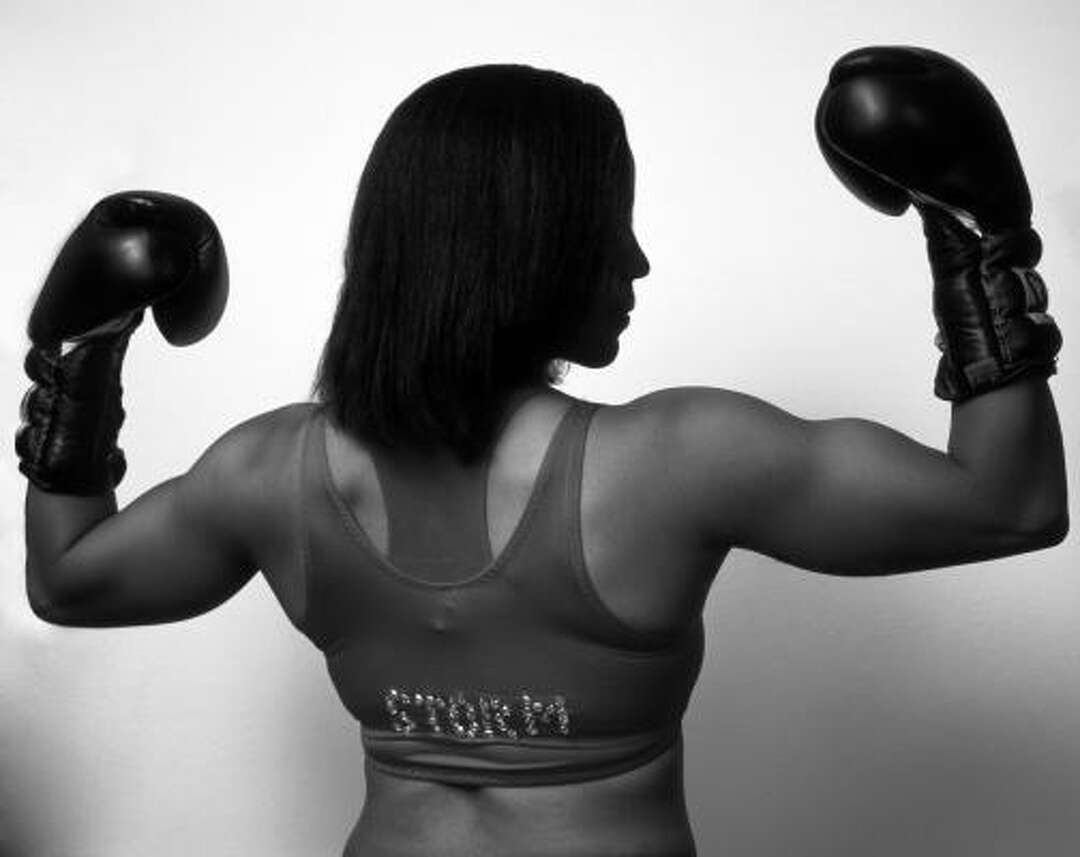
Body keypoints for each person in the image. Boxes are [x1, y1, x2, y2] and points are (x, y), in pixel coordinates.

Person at [19, 52, 1067, 857]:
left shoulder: (268, 470)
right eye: (612, 222)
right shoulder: (678, 458)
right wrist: (973, 234)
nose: (639, 258)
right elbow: (1008, 504)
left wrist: (75, 361)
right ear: (537, 244)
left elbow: (71, 580)